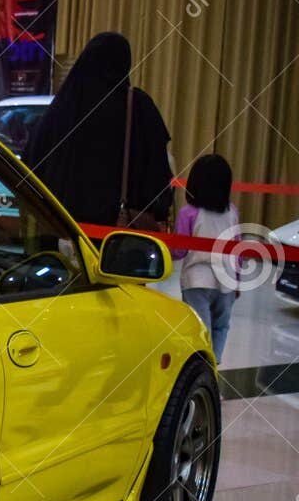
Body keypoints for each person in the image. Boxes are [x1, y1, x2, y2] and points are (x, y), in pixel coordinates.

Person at [23, 32, 173, 229]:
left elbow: (32, 165)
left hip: (64, 230)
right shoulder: (138, 107)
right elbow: (158, 174)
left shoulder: (64, 107)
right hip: (118, 234)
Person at [172, 154, 244, 361]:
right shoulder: (232, 212)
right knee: (221, 326)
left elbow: (179, 251)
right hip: (226, 281)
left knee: (199, 329)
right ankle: (214, 364)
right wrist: (237, 281)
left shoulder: (188, 213)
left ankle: (202, 368)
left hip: (196, 280)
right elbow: (238, 250)